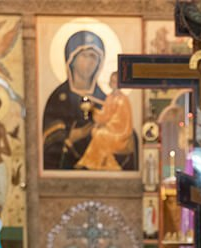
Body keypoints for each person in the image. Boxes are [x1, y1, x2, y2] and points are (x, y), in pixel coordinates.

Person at [42, 30, 138, 171]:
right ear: (71, 60)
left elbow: (125, 130)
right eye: (84, 56)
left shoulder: (107, 98)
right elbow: (48, 134)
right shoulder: (58, 98)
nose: (89, 62)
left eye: (94, 57)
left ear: (100, 62)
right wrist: (70, 135)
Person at [75, 72, 135, 170]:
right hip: (110, 129)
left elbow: (122, 122)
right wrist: (93, 109)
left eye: (115, 82)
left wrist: (106, 125)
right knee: (96, 131)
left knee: (100, 134)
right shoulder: (110, 97)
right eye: (112, 81)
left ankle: (91, 162)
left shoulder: (123, 99)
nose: (113, 84)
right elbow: (104, 115)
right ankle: (99, 162)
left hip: (120, 133)